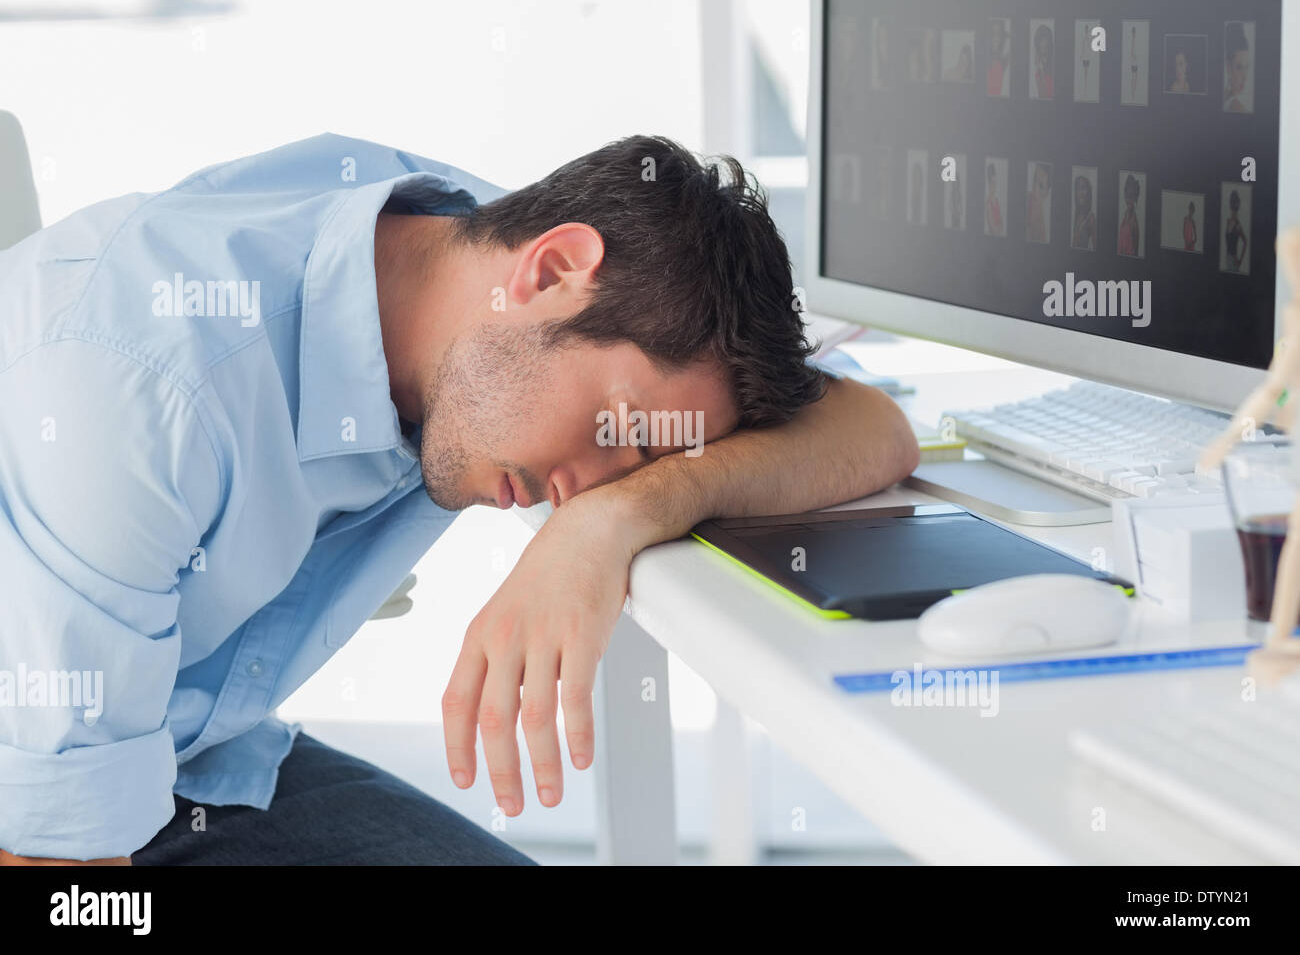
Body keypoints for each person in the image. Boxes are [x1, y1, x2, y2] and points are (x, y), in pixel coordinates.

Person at [0, 133, 919, 865]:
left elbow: (874, 427)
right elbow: (51, 861)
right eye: (619, 433)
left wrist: (615, 520)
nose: (582, 491)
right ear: (553, 271)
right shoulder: (144, 395)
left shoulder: (475, 258)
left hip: (187, 756)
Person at [1224, 22, 1251, 112]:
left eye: (1247, 67)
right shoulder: (1236, 107)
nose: (1245, 77)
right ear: (1228, 67)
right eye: (1239, 67)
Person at [1224, 189, 1248, 272]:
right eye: (1232, 202)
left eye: (1235, 203)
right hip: (1227, 258)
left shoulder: (1238, 225)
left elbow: (1245, 241)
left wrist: (1240, 260)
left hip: (1233, 260)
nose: (1233, 207)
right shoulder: (1228, 222)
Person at [1027, 162, 1051, 243]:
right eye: (1034, 180)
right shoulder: (1026, 198)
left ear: (1046, 193)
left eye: (1041, 186)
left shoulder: (1041, 232)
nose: (1035, 189)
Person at [1118, 173, 1141, 257]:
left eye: (1131, 196)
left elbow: (1135, 252)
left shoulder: (1134, 222)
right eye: (1127, 195)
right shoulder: (1125, 216)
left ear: (1136, 197)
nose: (1128, 200)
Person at [1071, 174, 1096, 251]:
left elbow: (1096, 247)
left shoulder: (1091, 218)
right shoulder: (1076, 215)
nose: (1081, 192)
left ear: (1088, 192)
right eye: (1078, 188)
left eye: (1084, 188)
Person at [987, 19, 1009, 96]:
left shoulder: (1002, 61)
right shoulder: (983, 58)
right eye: (993, 34)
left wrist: (1006, 34)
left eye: (998, 34)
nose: (995, 39)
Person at [1034, 24, 1054, 99]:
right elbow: (1043, 97)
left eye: (1046, 48)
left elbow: (1048, 94)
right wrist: (1041, 72)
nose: (1044, 58)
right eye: (1040, 48)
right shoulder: (1038, 73)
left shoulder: (1053, 69)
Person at [985, 161, 1004, 236]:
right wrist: (999, 226)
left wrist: (999, 227)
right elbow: (993, 229)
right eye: (992, 183)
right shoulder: (988, 203)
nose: (994, 186)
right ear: (988, 183)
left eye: (995, 182)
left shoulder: (996, 201)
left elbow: (1002, 224)